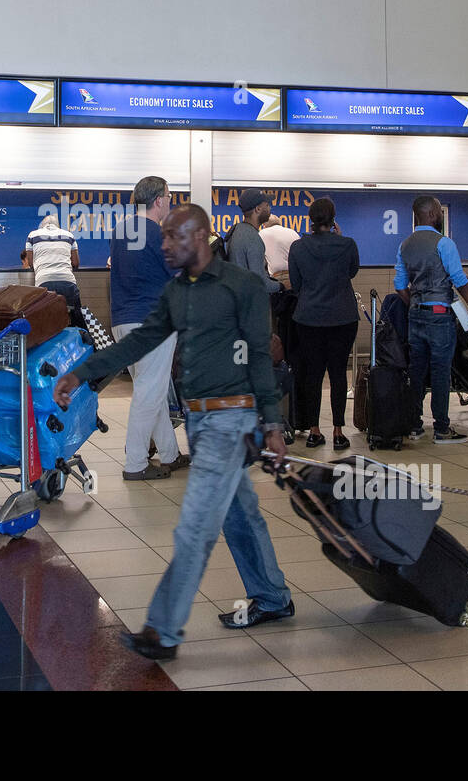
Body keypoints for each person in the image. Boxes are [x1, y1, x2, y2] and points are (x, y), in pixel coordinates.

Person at [54, 204, 292, 660]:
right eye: (162, 236)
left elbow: (261, 356)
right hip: (202, 422)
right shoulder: (177, 293)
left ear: (200, 236)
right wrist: (81, 373)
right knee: (241, 515)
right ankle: (273, 596)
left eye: (172, 237)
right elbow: (138, 342)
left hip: (232, 420)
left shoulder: (241, 287)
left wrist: (272, 423)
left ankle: (161, 630)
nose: (163, 244)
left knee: (195, 528)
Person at [108, 176, 187, 480]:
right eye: (170, 196)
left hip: (123, 322)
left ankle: (169, 454)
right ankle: (136, 463)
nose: (171, 201)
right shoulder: (159, 233)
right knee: (149, 392)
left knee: (151, 389)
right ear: (158, 201)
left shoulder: (120, 230)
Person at [393, 195, 468, 443]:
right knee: (441, 372)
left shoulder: (405, 245)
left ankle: (414, 425)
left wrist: (416, 305)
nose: (440, 216)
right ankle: (442, 428)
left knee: (417, 370)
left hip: (416, 317)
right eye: (439, 212)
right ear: (432, 213)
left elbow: (400, 286)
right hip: (440, 316)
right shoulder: (444, 243)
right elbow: (460, 281)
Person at [287, 198, 359, 451]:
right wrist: (340, 237)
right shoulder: (347, 244)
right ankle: (339, 432)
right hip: (343, 318)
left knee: (313, 374)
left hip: (309, 318)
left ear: (310, 219)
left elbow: (296, 284)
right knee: (339, 373)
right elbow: (351, 272)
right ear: (333, 219)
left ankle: (314, 430)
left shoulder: (298, 247)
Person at [23, 214, 80, 319]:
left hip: (44, 282)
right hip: (68, 281)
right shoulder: (69, 235)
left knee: (46, 320)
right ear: (57, 225)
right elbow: (76, 263)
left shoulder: (32, 235)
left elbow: (31, 263)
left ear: (42, 225)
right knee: (74, 317)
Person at [225, 189, 282, 294]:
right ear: (258, 209)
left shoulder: (236, 229)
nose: (270, 208)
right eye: (267, 205)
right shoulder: (252, 238)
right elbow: (260, 284)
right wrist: (282, 286)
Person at [259, 214, 300, 288]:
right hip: (296, 277)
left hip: (279, 278)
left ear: (264, 225)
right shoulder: (293, 232)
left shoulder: (263, 233)